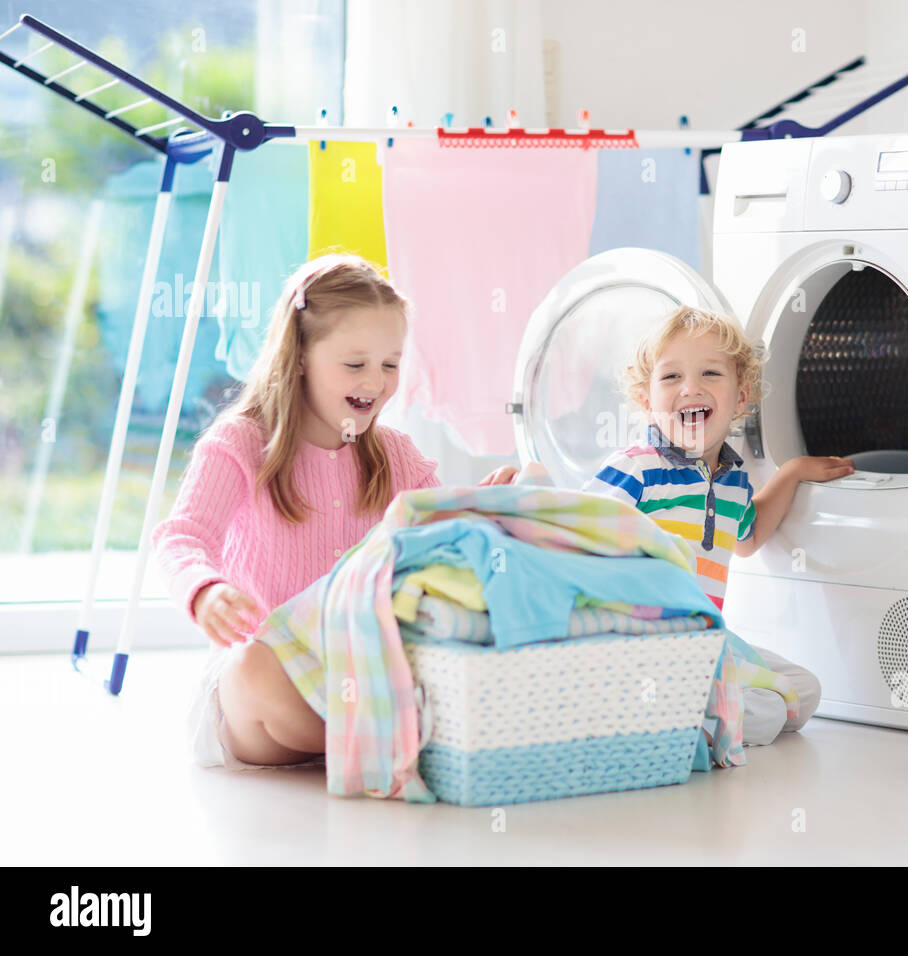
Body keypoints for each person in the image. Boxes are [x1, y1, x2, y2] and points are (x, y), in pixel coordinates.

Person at [152, 254, 516, 771]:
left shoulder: (396, 455)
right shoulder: (239, 443)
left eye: (390, 365)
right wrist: (204, 589)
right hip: (263, 685)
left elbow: (442, 528)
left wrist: (487, 506)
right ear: (298, 355)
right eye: (355, 364)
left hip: (362, 671)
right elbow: (179, 536)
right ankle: (398, 742)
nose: (376, 381)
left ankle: (383, 735)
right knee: (252, 667)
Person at [584, 306, 854, 746]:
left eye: (710, 373)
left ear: (741, 397)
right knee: (765, 714)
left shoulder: (732, 482)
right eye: (671, 378)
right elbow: (580, 528)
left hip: (704, 643)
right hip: (642, 642)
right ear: (645, 400)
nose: (691, 387)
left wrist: (791, 472)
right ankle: (679, 722)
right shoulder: (637, 469)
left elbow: (748, 538)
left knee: (804, 691)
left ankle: (683, 714)